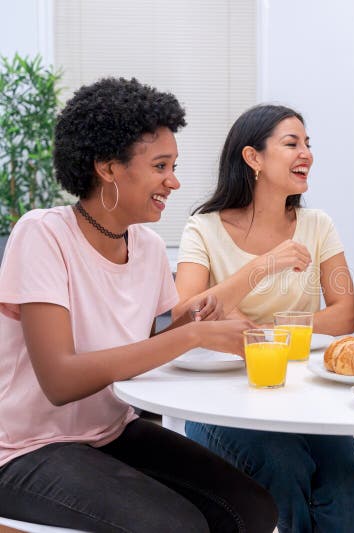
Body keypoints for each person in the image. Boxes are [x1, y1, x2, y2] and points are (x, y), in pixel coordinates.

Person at [0, 78, 278, 532]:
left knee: (253, 508)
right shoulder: (43, 235)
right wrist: (192, 335)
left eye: (174, 165)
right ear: (108, 168)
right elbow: (60, 380)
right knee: (177, 526)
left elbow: (141, 352)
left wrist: (194, 320)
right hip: (25, 449)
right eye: (160, 166)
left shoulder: (147, 247)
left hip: (109, 432)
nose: (174, 181)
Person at [173, 104, 354, 533]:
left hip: (303, 393)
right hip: (222, 400)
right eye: (291, 143)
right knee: (283, 464)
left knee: (347, 479)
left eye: (308, 144)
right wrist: (262, 267)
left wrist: (259, 331)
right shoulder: (203, 228)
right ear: (253, 158)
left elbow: (344, 314)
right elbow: (186, 313)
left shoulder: (317, 226)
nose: (307, 154)